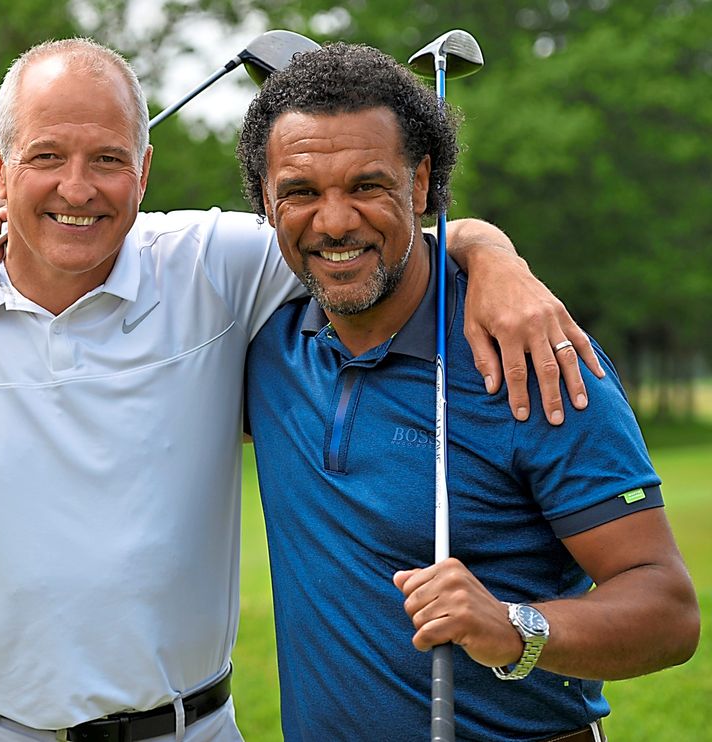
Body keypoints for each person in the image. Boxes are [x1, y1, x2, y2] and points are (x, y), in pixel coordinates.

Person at [0, 39, 597, 740]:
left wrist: (490, 252)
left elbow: (368, 235)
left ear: (146, 168)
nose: (77, 189)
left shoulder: (216, 265)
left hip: (188, 724)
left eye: (108, 159)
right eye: (45, 158)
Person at [237, 43, 700, 740]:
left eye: (367, 186)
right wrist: (9, 231)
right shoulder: (264, 344)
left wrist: (515, 627)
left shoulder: (531, 355)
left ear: (420, 185)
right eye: (301, 193)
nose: (334, 222)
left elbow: (667, 608)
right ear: (266, 204)